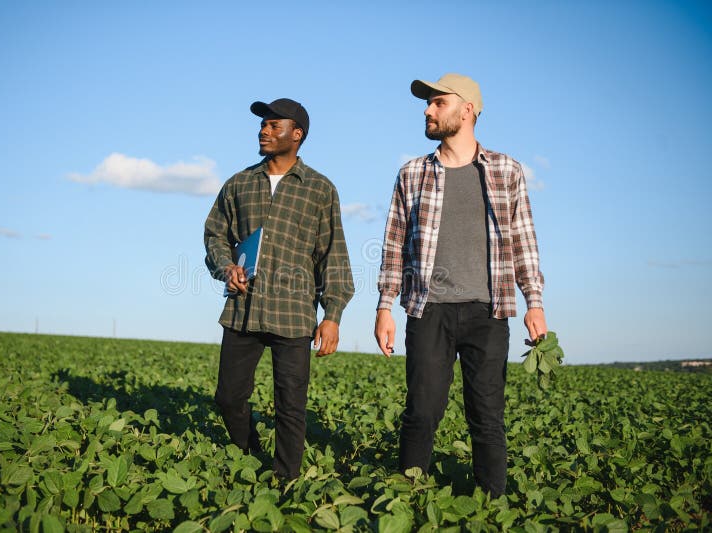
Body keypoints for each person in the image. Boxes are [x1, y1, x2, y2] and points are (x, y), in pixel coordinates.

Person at [373, 73, 547, 497]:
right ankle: (408, 499)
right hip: (427, 309)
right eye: (427, 104)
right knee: (421, 411)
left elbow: (524, 239)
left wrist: (534, 301)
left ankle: (493, 506)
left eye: (438, 103)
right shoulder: (413, 173)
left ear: (467, 109)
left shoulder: (506, 170)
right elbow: (394, 241)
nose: (428, 111)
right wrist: (384, 304)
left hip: (488, 312)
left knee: (486, 415)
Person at [204, 98, 354, 480]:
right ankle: (250, 455)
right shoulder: (239, 183)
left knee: (291, 405)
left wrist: (332, 315)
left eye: (274, 126)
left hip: (294, 313)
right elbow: (215, 234)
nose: (264, 131)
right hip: (243, 309)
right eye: (263, 125)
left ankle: (286, 482)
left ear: (297, 134)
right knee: (228, 398)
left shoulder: (320, 189)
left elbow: (332, 254)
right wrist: (226, 267)